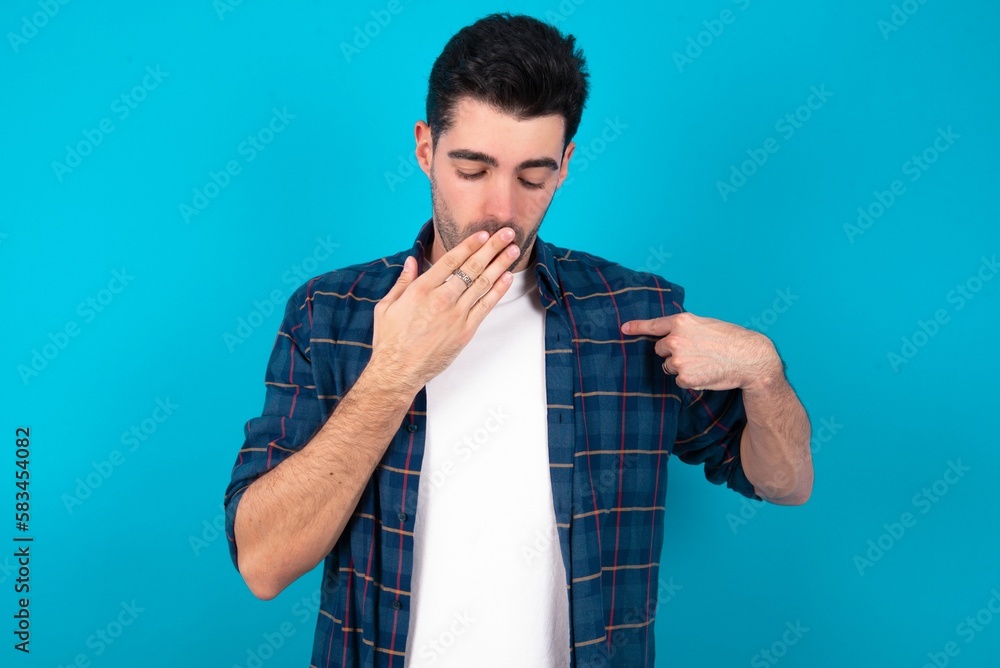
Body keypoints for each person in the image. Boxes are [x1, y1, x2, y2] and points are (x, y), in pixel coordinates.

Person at [223, 12, 813, 668]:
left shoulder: (631, 318)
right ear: (425, 149)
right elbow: (263, 563)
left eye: (532, 176)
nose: (502, 207)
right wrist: (394, 371)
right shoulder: (330, 314)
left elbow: (785, 482)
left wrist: (764, 370)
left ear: (564, 165)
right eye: (472, 168)